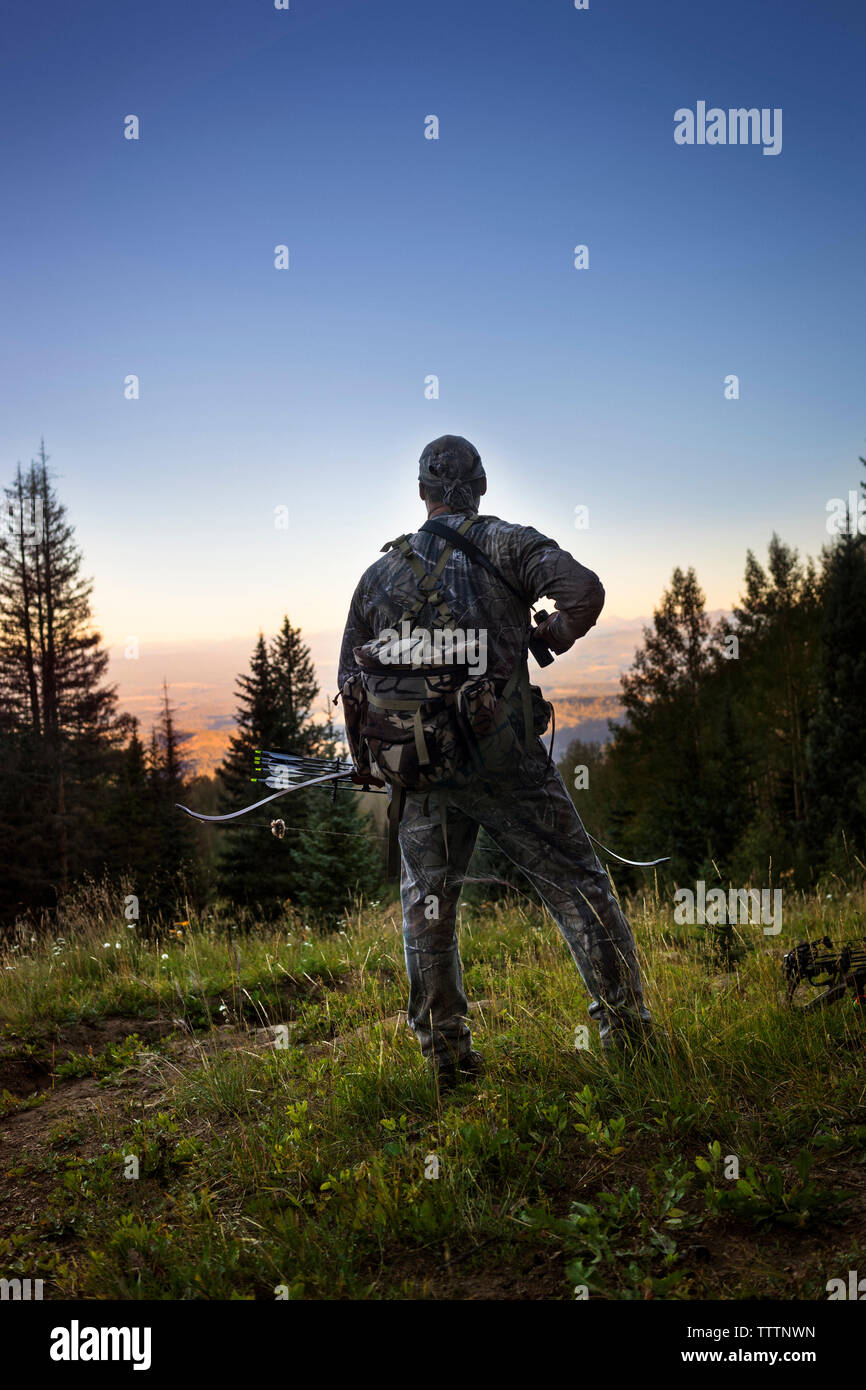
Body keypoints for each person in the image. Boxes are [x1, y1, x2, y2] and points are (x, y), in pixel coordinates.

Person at [337, 435, 652, 1089]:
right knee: (580, 889)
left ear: (422, 492)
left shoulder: (380, 574)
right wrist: (548, 637)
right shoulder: (505, 543)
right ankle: (630, 1043)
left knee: (429, 907)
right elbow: (584, 591)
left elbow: (350, 680)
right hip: (505, 759)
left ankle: (447, 1060)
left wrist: (378, 760)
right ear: (477, 486)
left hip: (422, 769)